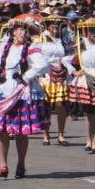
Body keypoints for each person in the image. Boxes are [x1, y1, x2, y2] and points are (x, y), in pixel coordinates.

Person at [0, 15, 50, 179]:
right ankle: (3, 165)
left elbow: (43, 64)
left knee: (21, 131)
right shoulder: (0, 47)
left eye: (26, 30)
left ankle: (21, 163)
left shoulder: (31, 48)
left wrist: (26, 76)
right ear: (13, 31)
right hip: (2, 91)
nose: (23, 32)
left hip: (20, 93)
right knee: (2, 131)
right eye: (21, 29)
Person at [66, 17, 95, 153]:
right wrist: (75, 71)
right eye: (91, 30)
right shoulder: (81, 44)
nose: (94, 32)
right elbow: (65, 59)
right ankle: (89, 140)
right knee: (90, 113)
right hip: (86, 81)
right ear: (86, 31)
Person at [39, 14, 71, 145]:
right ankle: (46, 134)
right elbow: (35, 56)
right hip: (47, 75)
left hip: (61, 74)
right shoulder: (41, 39)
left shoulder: (63, 39)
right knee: (47, 106)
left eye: (57, 24)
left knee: (60, 105)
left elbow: (69, 54)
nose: (55, 26)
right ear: (47, 25)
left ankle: (61, 134)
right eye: (52, 23)